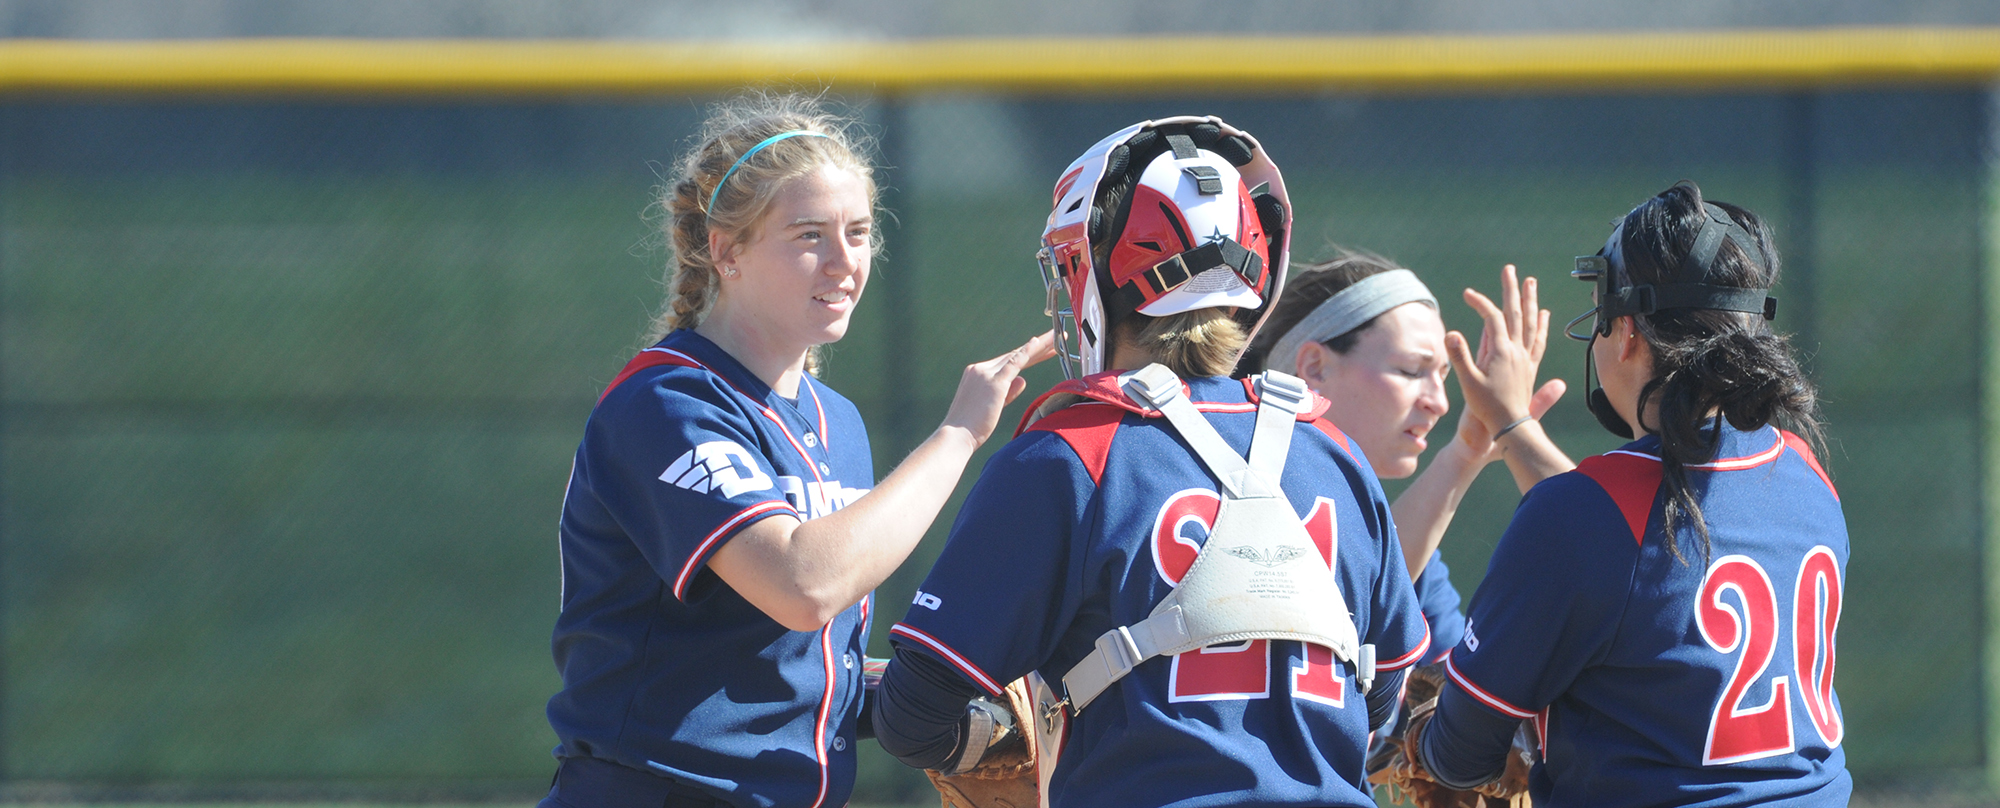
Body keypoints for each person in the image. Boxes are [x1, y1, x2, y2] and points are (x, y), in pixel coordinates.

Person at [872, 117, 1430, 808]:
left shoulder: (1071, 454)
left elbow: (912, 717)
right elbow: (1376, 700)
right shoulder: (1335, 452)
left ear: (1097, 277)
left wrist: (995, 733)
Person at [538, 93, 1051, 808]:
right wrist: (958, 434)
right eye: (809, 235)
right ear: (727, 250)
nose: (844, 262)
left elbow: (785, 661)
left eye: (859, 232)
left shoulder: (836, 420)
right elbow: (803, 585)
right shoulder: (666, 404)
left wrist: (942, 705)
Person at [1412, 181, 1850, 806]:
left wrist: (1421, 735)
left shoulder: (1582, 517)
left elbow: (1460, 756)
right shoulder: (1806, 476)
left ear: (1627, 334)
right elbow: (1627, 539)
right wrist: (1512, 427)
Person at [1247, 252, 1574, 670]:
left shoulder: (1413, 554)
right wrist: (1496, 437)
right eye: (1410, 371)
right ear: (1315, 367)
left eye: (1443, 375)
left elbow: (1459, 684)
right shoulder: (1234, 498)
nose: (1439, 402)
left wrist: (1470, 451)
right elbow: (1344, 611)